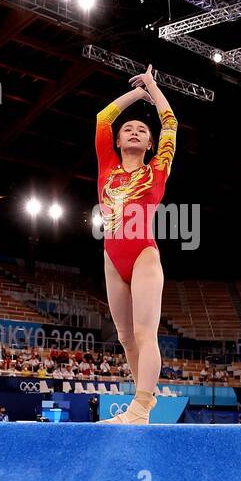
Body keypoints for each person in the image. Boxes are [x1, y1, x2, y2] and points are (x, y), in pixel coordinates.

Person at [95, 64, 177, 425]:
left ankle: (141, 408)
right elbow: (103, 118)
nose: (133, 131)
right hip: (112, 257)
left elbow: (170, 123)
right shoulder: (106, 167)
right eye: (127, 129)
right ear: (117, 141)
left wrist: (154, 90)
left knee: (145, 334)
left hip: (143, 254)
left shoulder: (157, 169)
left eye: (142, 130)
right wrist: (136, 94)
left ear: (149, 144)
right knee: (126, 337)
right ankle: (142, 402)